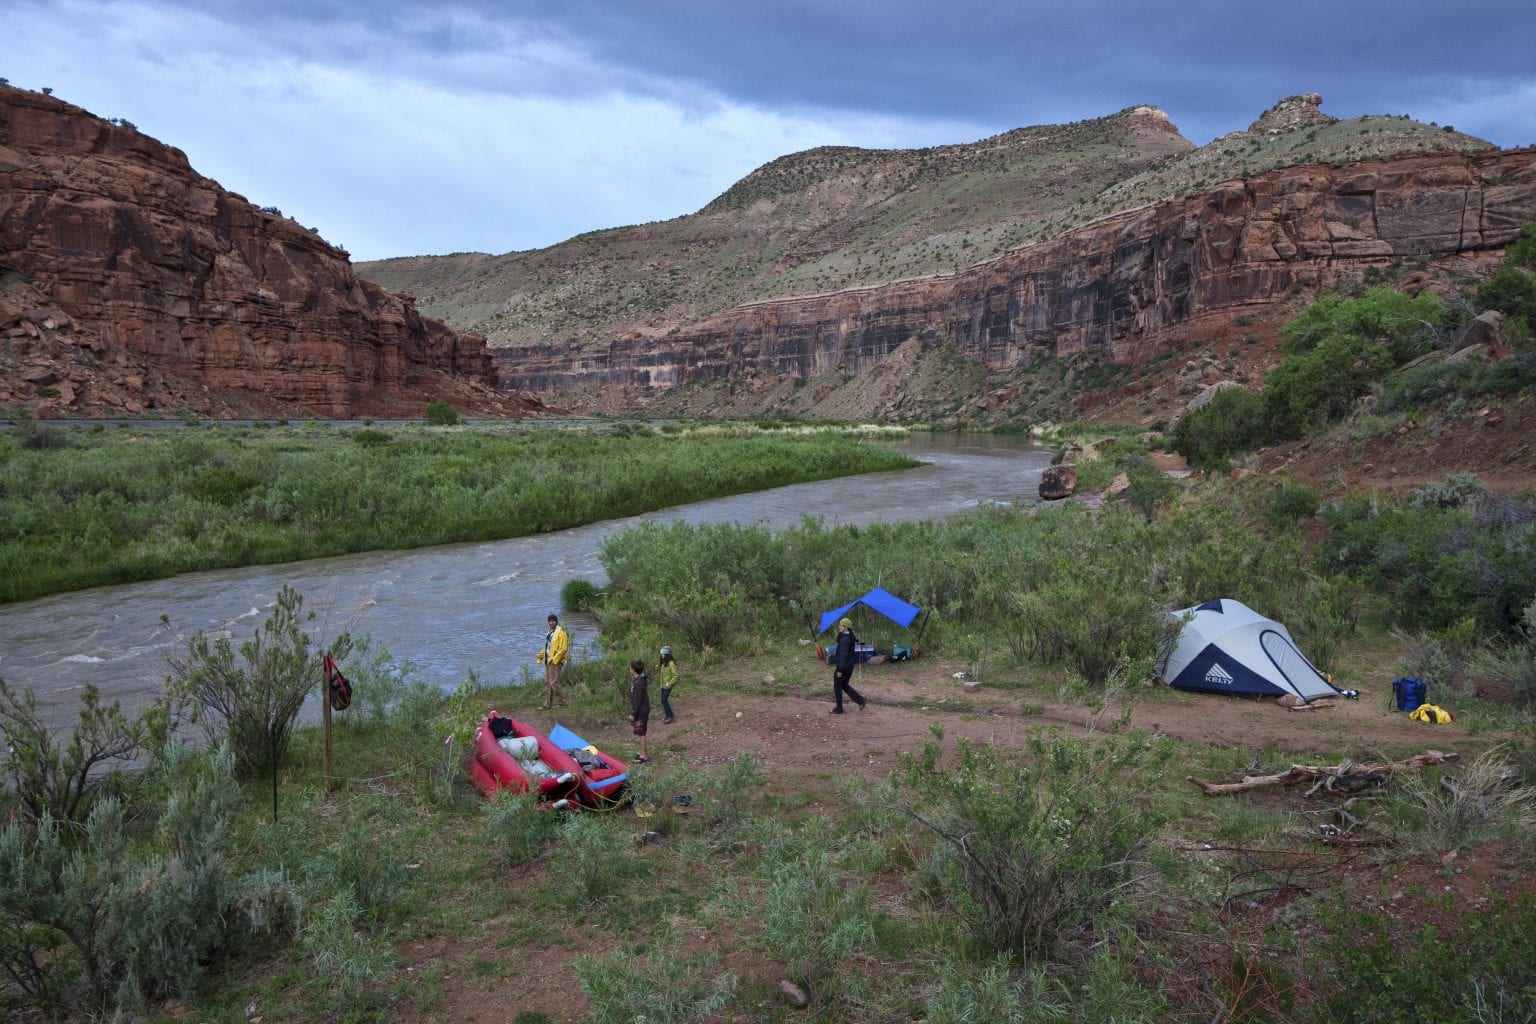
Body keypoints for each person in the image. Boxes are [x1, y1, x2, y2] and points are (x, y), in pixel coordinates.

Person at [830, 617, 867, 714]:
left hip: (843, 667)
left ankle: (839, 708)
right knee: (844, 685)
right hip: (849, 666)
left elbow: (843, 655)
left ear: (845, 627)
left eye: (841, 625)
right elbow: (838, 639)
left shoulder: (845, 640)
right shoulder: (848, 636)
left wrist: (840, 670)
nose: (839, 627)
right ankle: (861, 700)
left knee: (837, 685)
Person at [535, 613, 569, 709]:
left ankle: (562, 701)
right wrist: (540, 655)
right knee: (547, 682)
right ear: (548, 622)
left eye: (553, 620)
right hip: (548, 661)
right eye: (550, 621)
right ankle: (548, 704)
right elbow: (548, 648)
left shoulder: (561, 632)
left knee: (553, 682)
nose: (551, 622)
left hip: (554, 662)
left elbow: (563, 649)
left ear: (556, 621)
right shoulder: (550, 632)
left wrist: (555, 660)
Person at [629, 658, 651, 762]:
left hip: (641, 710)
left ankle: (643, 756)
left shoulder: (638, 683)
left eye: (630, 668)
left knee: (641, 732)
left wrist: (633, 713)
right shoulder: (638, 680)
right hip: (642, 709)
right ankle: (641, 751)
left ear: (633, 669)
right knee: (639, 731)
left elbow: (637, 700)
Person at [657, 645, 678, 724]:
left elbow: (675, 676)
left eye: (663, 654)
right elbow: (664, 672)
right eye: (661, 654)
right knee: (663, 701)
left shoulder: (671, 664)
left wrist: (669, 683)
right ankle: (668, 715)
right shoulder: (664, 663)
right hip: (663, 685)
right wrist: (659, 667)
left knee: (664, 700)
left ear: (667, 655)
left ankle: (670, 716)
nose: (662, 656)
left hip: (668, 685)